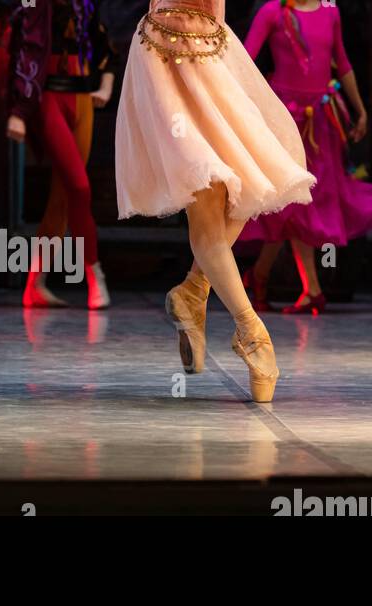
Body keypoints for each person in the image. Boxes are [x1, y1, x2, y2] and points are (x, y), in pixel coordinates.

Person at [116, 0, 315, 402]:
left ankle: (193, 291)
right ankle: (252, 334)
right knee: (205, 187)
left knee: (250, 176)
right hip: (166, 55)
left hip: (211, 53)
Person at [238, 0, 372, 315]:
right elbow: (245, 62)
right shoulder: (273, 12)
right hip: (285, 120)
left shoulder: (330, 12)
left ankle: (261, 276)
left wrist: (359, 109)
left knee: (306, 201)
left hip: (320, 121)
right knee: (292, 201)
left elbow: (342, 63)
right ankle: (311, 289)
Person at [7, 0, 110, 310]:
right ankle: (94, 272)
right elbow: (25, 46)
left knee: (63, 196)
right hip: (49, 96)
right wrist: (20, 111)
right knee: (79, 187)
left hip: (81, 97)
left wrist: (105, 85)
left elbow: (102, 42)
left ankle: (34, 285)